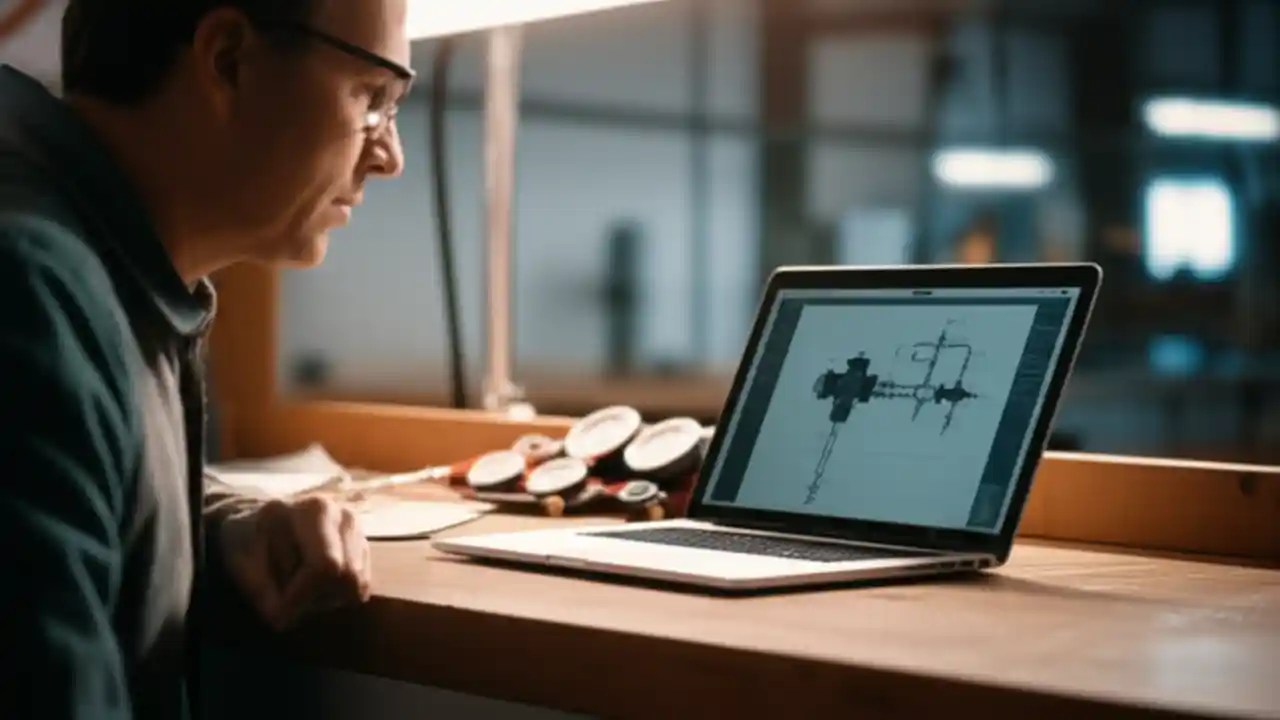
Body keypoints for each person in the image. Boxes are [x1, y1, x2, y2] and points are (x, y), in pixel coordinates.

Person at [0, 0, 412, 717]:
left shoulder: (113, 265)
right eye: (372, 98)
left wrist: (220, 527)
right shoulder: (33, 290)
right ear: (228, 61)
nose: (389, 156)